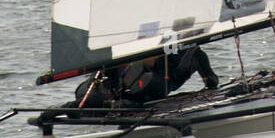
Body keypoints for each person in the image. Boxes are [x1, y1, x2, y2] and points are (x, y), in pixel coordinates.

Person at [74, 45, 218, 108]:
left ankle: (108, 102)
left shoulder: (194, 54)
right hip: (144, 91)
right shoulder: (196, 54)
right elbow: (212, 82)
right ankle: (109, 102)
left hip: (137, 89)